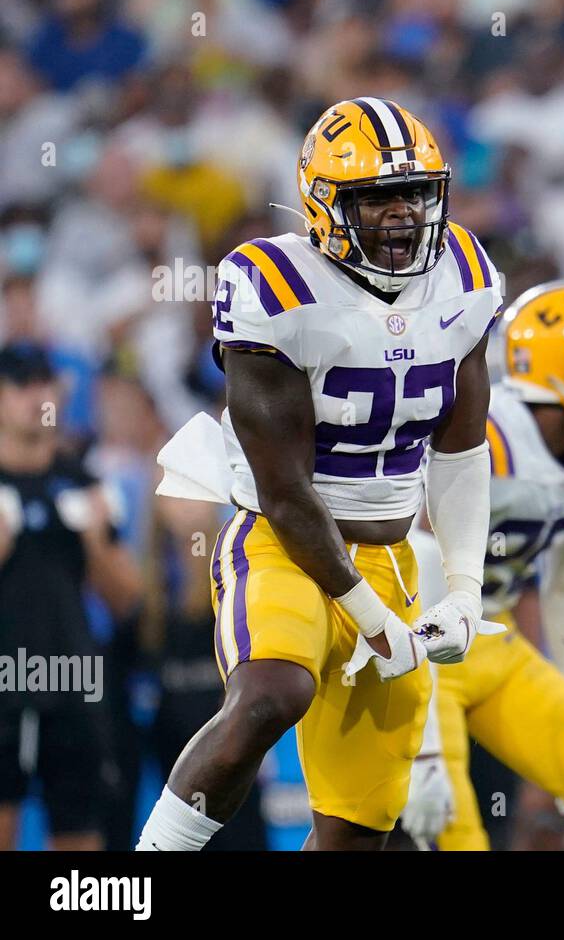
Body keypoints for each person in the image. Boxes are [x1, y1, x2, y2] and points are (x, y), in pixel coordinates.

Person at [136, 97, 502, 851]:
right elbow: (284, 491)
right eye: (376, 199)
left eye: (416, 194)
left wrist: (464, 590)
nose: (402, 216)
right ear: (326, 204)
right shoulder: (274, 285)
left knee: (355, 831)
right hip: (281, 542)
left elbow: (463, 449)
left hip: (392, 556)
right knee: (273, 692)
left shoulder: (464, 274)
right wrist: (370, 618)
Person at [400, 282, 564, 851]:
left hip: (497, 636)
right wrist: (429, 752)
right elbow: (419, 564)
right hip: (419, 647)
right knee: (456, 840)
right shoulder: (487, 436)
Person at [0, 344, 142, 850]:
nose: (36, 397)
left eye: (44, 384)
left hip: (74, 684)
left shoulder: (85, 485)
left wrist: (96, 543)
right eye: (22, 385)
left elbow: (128, 603)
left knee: (81, 840)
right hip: (3, 681)